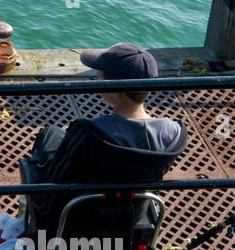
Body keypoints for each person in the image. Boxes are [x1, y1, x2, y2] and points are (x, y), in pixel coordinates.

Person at [22, 42, 186, 234]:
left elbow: (56, 184)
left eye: (100, 76)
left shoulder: (88, 132)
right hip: (129, 216)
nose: (96, 78)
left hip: (73, 220)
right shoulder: (174, 134)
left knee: (50, 133)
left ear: (115, 94)